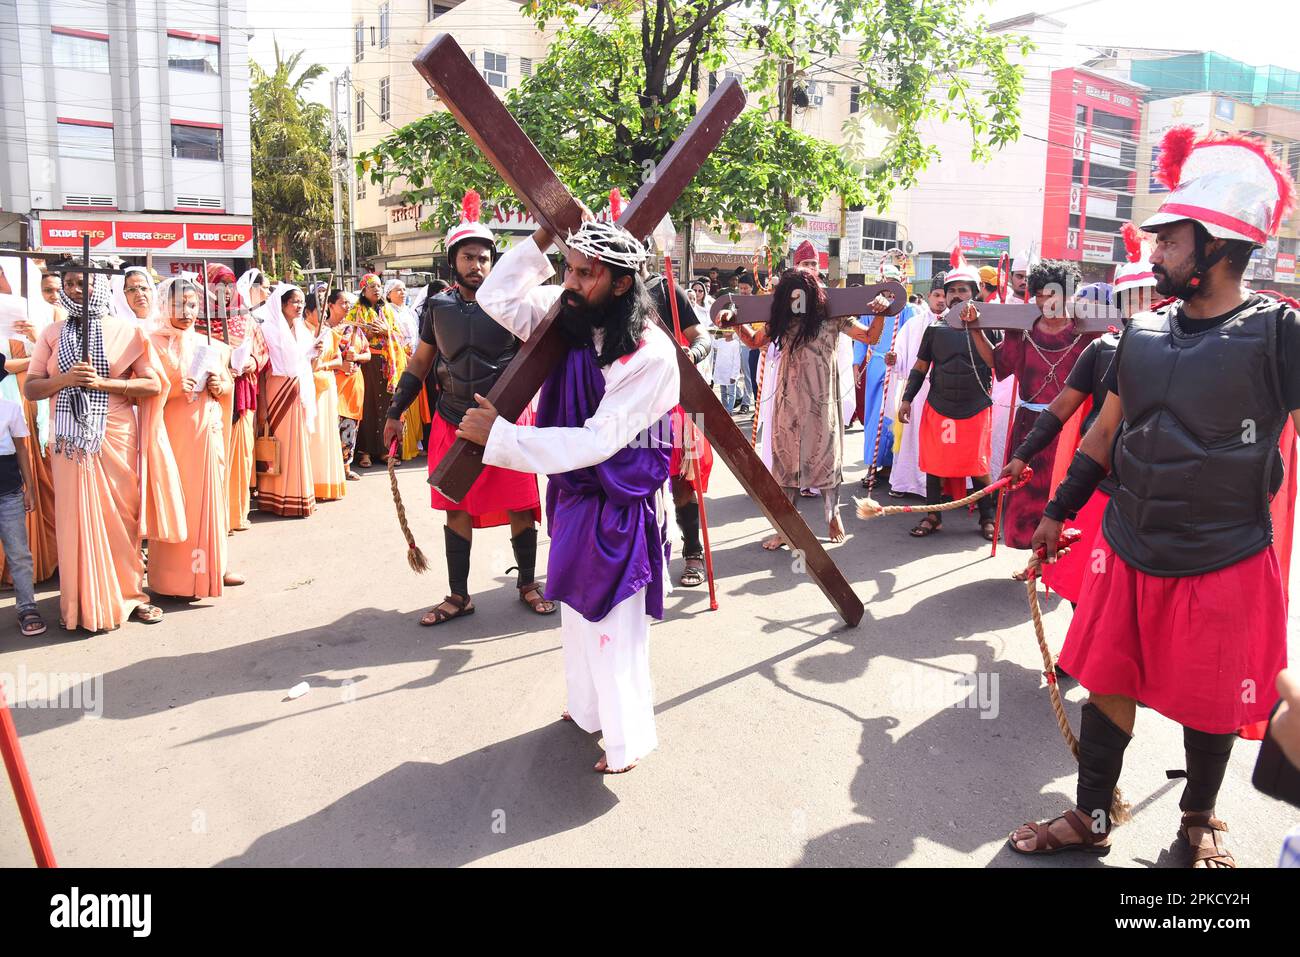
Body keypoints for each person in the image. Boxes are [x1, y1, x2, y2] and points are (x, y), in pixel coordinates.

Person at [1009, 127, 1297, 867]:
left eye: (1170, 239)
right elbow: (1104, 436)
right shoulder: (1138, 333)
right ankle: (1093, 812)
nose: (1155, 250)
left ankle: (1197, 820)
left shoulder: (1280, 335)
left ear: (1219, 244)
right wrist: (1053, 514)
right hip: (1130, 543)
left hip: (1227, 552)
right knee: (1105, 681)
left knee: (1210, 702)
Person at [457, 209, 677, 774]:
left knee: (613, 625)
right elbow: (497, 299)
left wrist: (503, 439)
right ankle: (586, 711)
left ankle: (628, 741)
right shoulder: (567, 318)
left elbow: (597, 442)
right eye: (569, 269)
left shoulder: (649, 354)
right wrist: (544, 236)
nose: (571, 284)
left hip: (621, 503)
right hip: (576, 496)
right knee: (577, 614)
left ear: (622, 284)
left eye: (586, 275)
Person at [383, 190, 550, 625]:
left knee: (519, 504)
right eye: (468, 257)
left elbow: (538, 356)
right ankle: (459, 596)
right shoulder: (436, 307)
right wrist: (393, 412)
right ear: (453, 260)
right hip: (452, 420)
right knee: (454, 504)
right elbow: (420, 362)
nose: (476, 265)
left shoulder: (513, 304)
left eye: (483, 258)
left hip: (505, 420)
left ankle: (528, 583)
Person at [25, 265, 183, 630]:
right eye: (69, 283)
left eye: (84, 283)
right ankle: (80, 604)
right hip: (69, 443)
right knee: (73, 520)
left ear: (98, 286)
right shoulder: (52, 333)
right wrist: (65, 380)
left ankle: (130, 596)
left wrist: (104, 383)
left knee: (119, 520)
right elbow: (32, 387)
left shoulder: (125, 331)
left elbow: (151, 384)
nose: (77, 289)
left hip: (114, 436)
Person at [737, 268, 890, 546]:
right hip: (788, 401)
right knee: (786, 463)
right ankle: (787, 528)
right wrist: (734, 320)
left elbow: (870, 337)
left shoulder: (833, 315)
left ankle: (832, 514)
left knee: (826, 457)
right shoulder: (782, 319)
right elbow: (753, 341)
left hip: (822, 400)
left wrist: (880, 311)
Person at [968, 259, 1096, 549]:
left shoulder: (1090, 332)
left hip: (1071, 431)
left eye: (1052, 293)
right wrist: (975, 329)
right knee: (1025, 497)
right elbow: (997, 364)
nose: (1044, 300)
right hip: (1029, 426)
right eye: (1038, 293)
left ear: (1069, 295)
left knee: (1064, 497)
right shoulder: (1022, 329)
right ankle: (1034, 557)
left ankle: (1054, 565)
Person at [897, 253, 1000, 538]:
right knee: (934, 464)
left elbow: (998, 364)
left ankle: (987, 519)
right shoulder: (934, 328)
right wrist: (907, 398)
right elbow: (920, 367)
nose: (956, 295)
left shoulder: (990, 327)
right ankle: (933, 516)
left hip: (976, 405)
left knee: (978, 464)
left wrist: (978, 327)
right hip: (939, 405)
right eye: (951, 290)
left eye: (962, 290)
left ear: (975, 293)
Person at [147, 279, 239, 598]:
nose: (186, 311)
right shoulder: (153, 343)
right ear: (165, 305)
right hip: (173, 436)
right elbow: (143, 391)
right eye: (178, 304)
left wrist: (219, 385)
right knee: (180, 501)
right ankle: (176, 579)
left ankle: (214, 567)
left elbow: (227, 387)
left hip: (207, 432)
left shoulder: (207, 342)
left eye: (191, 304)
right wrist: (173, 388)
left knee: (211, 500)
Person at [0, 259, 57, 585]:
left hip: (38, 401)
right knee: (14, 476)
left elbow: (57, 361)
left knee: (43, 473)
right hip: (9, 401)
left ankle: (49, 556)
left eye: (3, 273)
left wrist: (37, 339)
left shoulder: (47, 315)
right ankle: (16, 566)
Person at [256, 285, 319, 518]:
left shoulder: (302, 329)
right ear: (282, 304)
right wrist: (262, 405)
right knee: (278, 444)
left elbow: (305, 363)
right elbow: (262, 370)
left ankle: (297, 494)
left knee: (297, 442)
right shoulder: (268, 329)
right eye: (294, 301)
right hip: (276, 388)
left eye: (302, 301)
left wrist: (316, 351)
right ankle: (274, 497)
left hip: (298, 389)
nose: (300, 305)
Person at [887, 274, 947, 499]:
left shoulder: (957, 324)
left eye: (944, 295)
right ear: (929, 296)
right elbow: (902, 354)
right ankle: (906, 481)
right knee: (914, 436)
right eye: (936, 295)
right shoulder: (914, 324)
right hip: (918, 392)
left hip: (946, 393)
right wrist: (895, 359)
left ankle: (942, 488)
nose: (940, 300)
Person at [856, 265, 915, 487]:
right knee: (875, 416)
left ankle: (891, 466)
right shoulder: (872, 308)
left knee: (893, 417)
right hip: (876, 366)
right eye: (886, 284)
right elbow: (863, 337)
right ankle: (872, 465)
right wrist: (856, 365)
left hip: (900, 369)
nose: (890, 292)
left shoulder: (909, 310)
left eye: (894, 284)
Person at [0, 356, 45, 636]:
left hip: (9, 493)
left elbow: (22, 451)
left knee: (18, 553)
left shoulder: (10, 409)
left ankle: (27, 607)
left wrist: (29, 488)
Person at [224, 268, 271, 532]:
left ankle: (235, 514)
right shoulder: (201, 319)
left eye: (229, 285)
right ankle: (215, 516)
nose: (225, 291)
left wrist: (252, 362)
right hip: (213, 392)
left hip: (244, 392)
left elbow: (262, 353)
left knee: (240, 456)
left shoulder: (248, 319)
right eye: (218, 285)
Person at [349, 274, 406, 467]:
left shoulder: (387, 310)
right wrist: (366, 333)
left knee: (385, 405)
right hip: (365, 363)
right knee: (367, 405)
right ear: (363, 289)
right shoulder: (356, 309)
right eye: (372, 286)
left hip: (386, 362)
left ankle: (384, 450)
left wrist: (385, 331)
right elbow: (348, 333)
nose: (376, 290)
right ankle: (364, 452)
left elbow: (398, 334)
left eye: (379, 286)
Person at [304, 293, 346, 502]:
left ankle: (328, 483)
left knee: (328, 433)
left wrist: (325, 365)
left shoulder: (328, 333)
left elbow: (339, 359)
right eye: (318, 309)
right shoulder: (301, 333)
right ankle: (311, 483)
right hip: (309, 387)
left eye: (324, 309)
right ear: (308, 312)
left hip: (327, 385)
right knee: (314, 435)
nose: (323, 313)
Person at [327, 290, 368, 481]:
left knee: (350, 426)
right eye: (343, 303)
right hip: (332, 385)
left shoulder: (355, 329)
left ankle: (346, 466)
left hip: (353, 385)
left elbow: (367, 354)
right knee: (331, 426)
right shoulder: (324, 330)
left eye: (348, 303)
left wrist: (357, 357)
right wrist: (340, 364)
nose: (347, 306)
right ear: (331, 305)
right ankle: (329, 469)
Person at [385, 278, 427, 460]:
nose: (402, 293)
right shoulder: (387, 312)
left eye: (404, 289)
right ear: (388, 294)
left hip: (413, 358)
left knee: (414, 403)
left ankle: (414, 444)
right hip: (399, 359)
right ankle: (400, 446)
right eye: (397, 290)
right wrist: (404, 353)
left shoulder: (410, 313)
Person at [711, 326, 742, 413]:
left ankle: (729, 410)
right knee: (723, 392)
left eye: (729, 328)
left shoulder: (735, 343)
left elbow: (737, 360)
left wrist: (734, 375)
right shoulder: (720, 342)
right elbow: (712, 343)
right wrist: (713, 334)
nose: (727, 330)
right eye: (725, 328)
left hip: (731, 372)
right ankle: (725, 408)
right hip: (721, 372)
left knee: (731, 393)